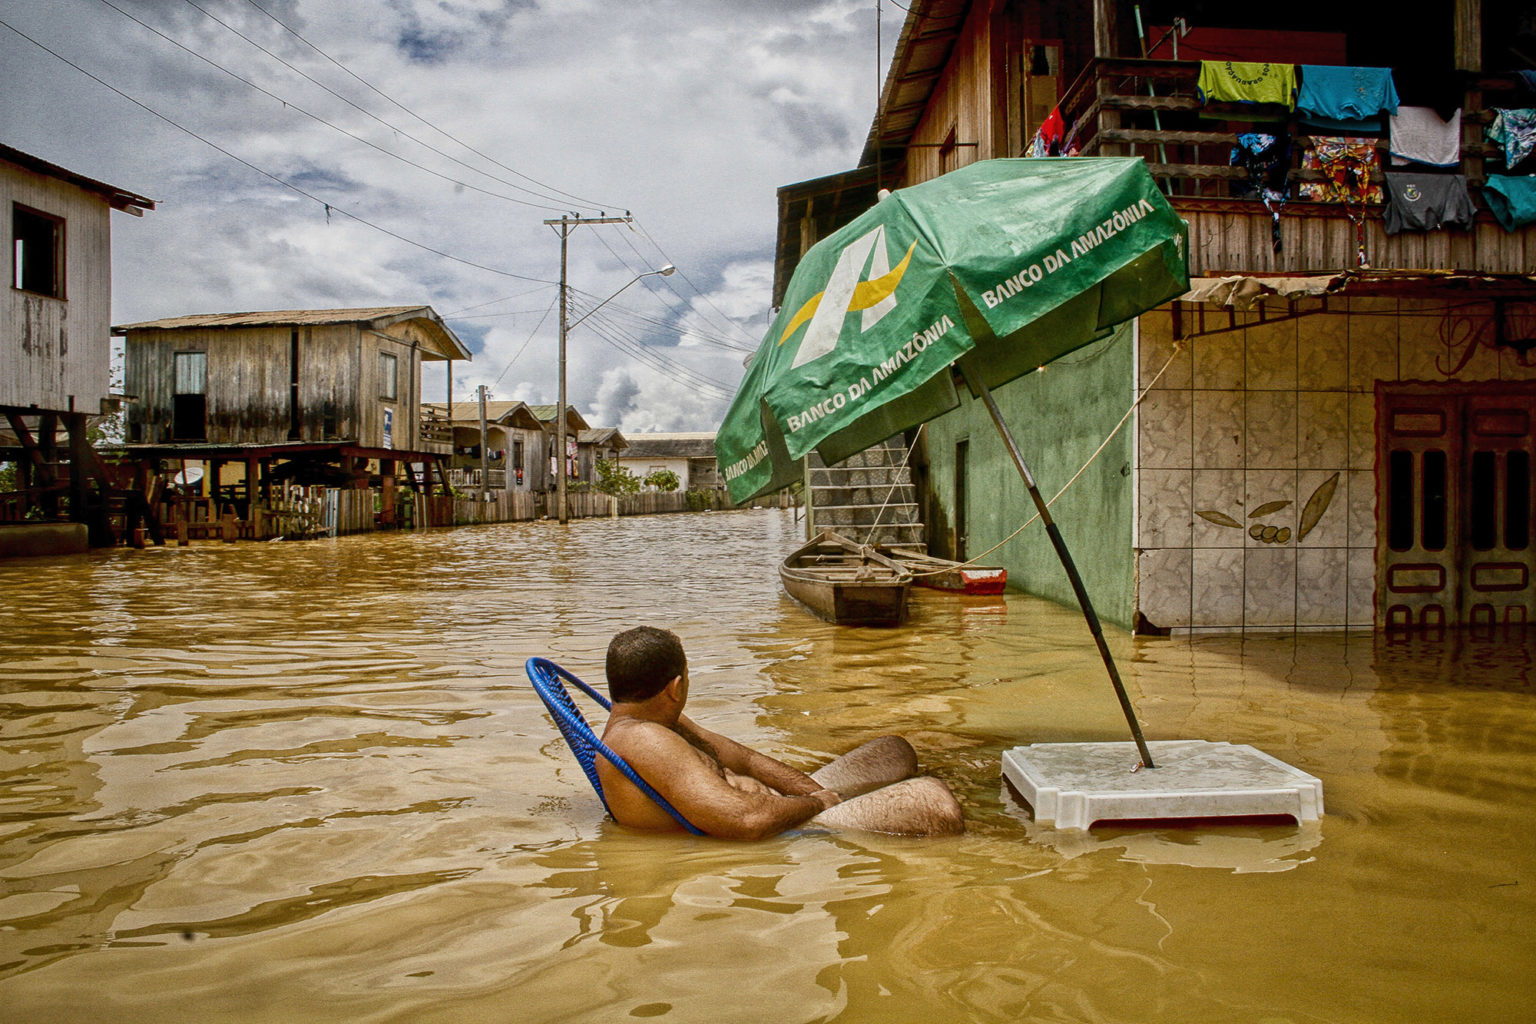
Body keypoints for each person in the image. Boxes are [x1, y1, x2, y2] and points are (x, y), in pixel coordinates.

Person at [599, 626, 964, 839]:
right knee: (934, 800)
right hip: (782, 827)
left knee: (893, 750)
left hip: (786, 809)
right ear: (676, 687)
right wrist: (816, 806)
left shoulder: (662, 724)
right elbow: (747, 821)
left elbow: (746, 760)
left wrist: (815, 790)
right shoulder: (646, 740)